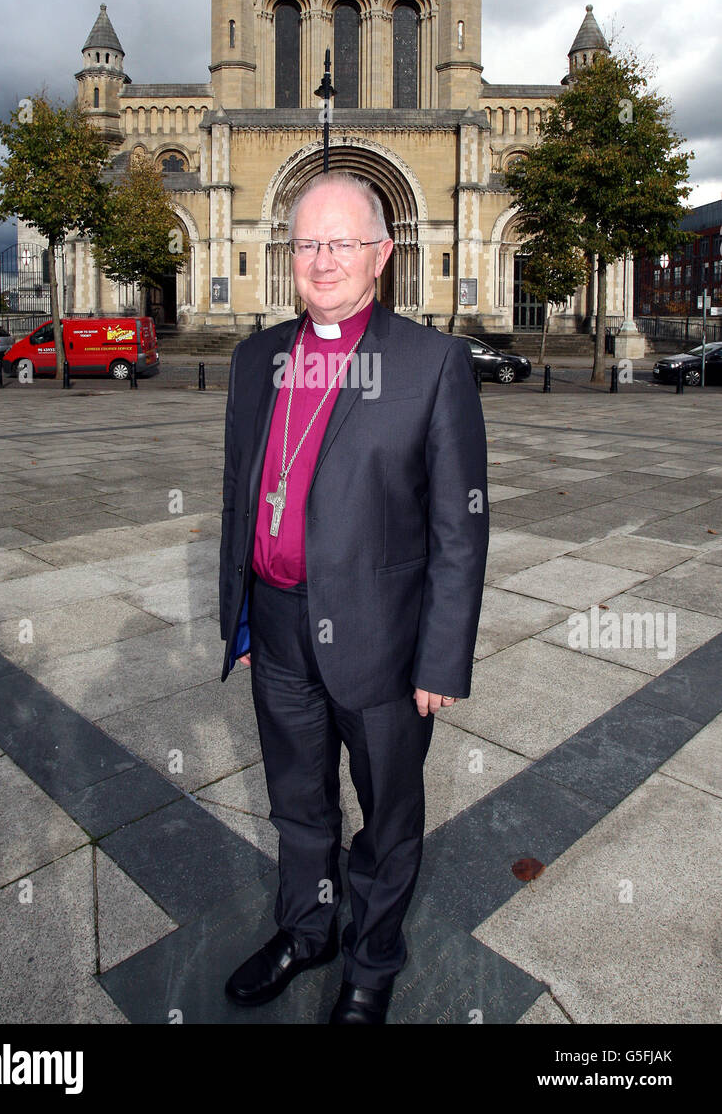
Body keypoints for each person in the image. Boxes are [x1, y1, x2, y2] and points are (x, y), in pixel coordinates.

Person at [219, 171, 488, 1024]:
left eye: (340, 243)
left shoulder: (429, 362)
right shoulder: (255, 358)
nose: (321, 261)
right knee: (297, 802)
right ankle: (308, 930)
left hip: (383, 640)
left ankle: (372, 963)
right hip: (279, 627)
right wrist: (246, 615)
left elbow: (459, 527)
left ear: (383, 254)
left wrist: (441, 658)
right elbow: (242, 490)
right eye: (306, 244)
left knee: (388, 815)